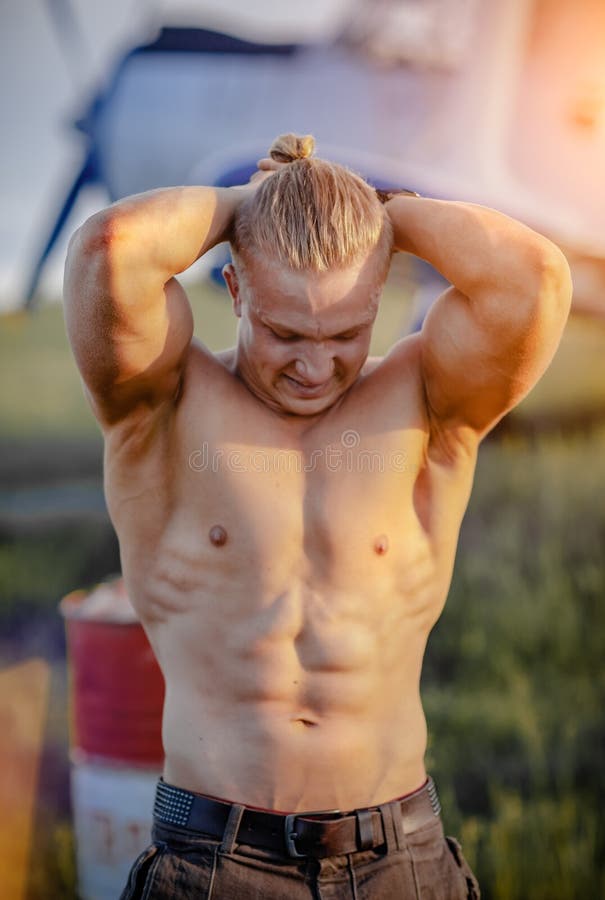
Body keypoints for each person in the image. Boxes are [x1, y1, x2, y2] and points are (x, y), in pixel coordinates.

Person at [63, 133, 572, 899]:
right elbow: (111, 247)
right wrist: (251, 204)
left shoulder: (427, 403)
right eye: (285, 333)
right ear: (233, 289)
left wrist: (386, 215)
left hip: (400, 855)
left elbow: (532, 277)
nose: (313, 366)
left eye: (344, 333)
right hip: (216, 862)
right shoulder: (160, 406)